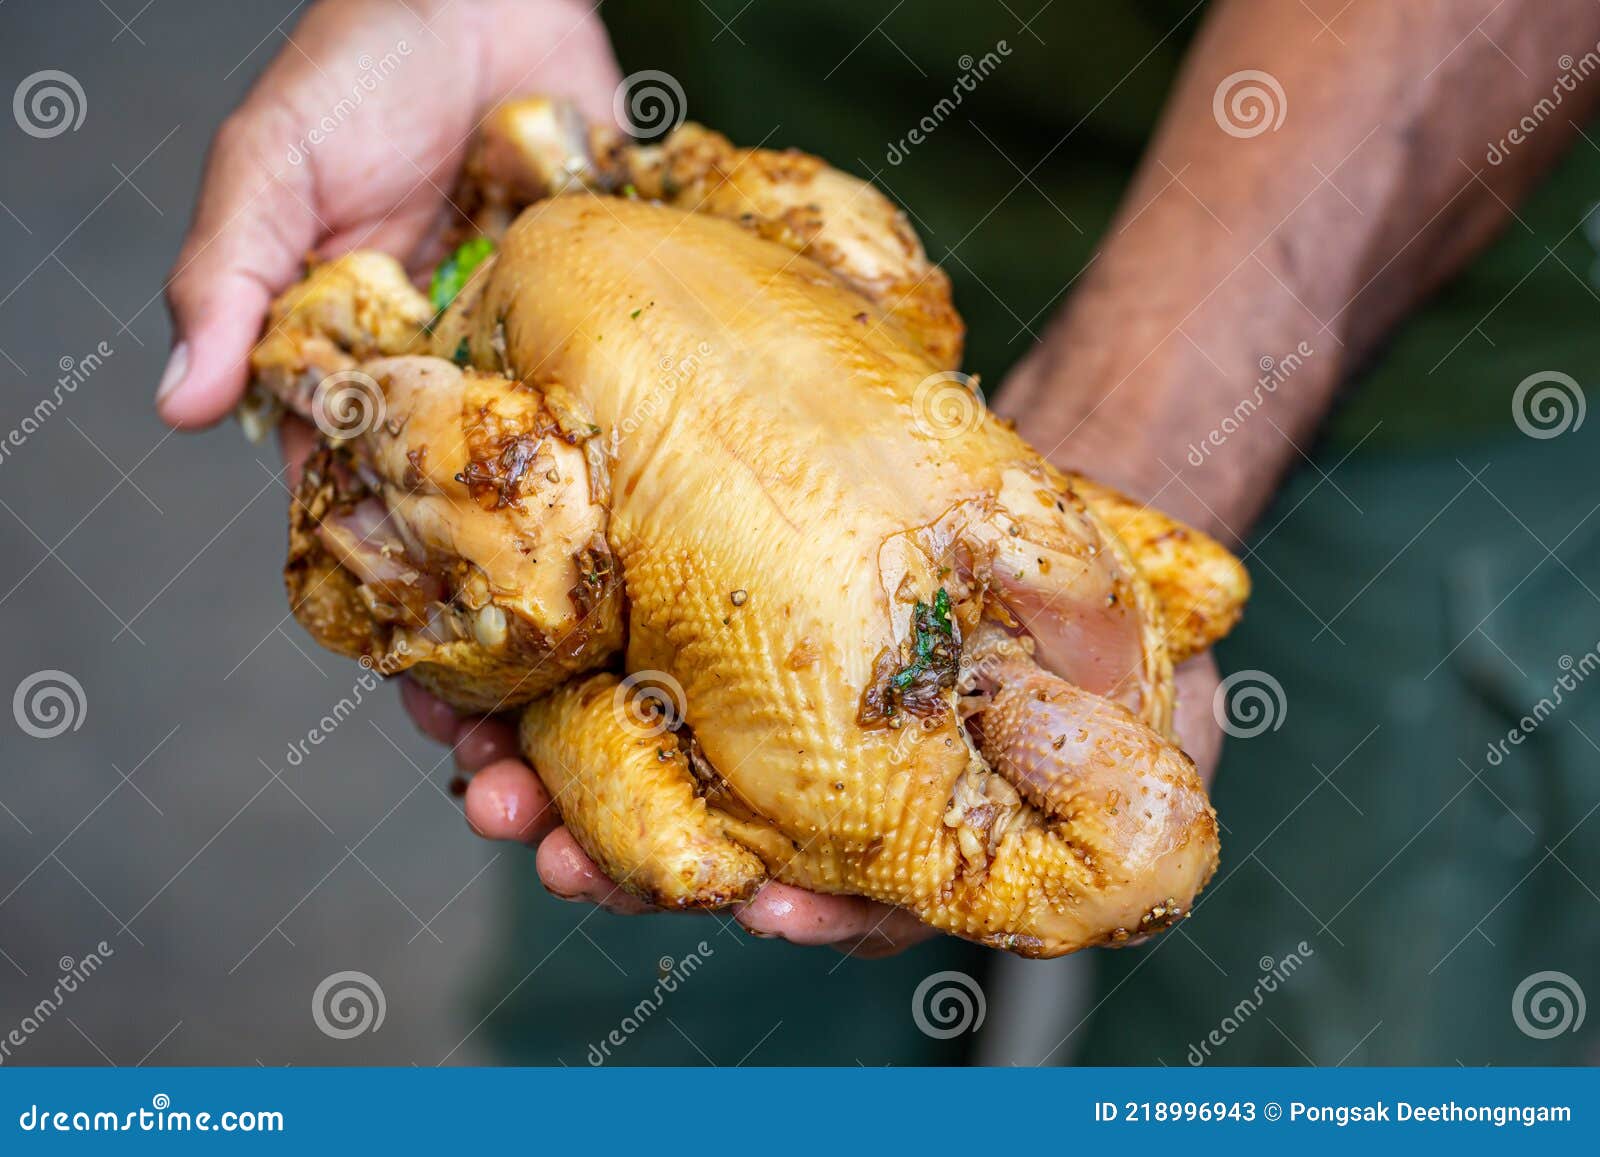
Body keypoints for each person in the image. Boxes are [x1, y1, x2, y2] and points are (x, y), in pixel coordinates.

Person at [158, 0, 1600, 1065]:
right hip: (746, 162)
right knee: (660, 1041)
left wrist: (1140, 448)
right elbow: (659, 812)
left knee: (1337, 1053)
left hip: (1409, 290)